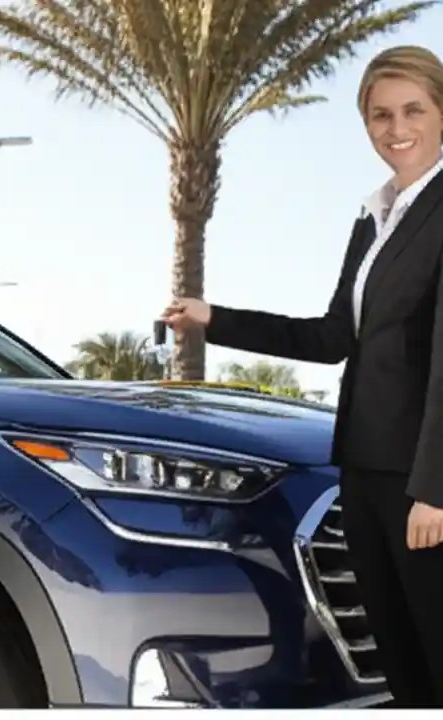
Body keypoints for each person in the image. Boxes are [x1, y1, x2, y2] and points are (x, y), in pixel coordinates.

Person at [161, 45, 443, 707]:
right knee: (399, 663)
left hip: (422, 484)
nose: (395, 127)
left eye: (412, 110)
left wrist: (436, 488)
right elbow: (329, 338)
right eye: (379, 114)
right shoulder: (374, 219)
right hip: (366, 470)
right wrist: (212, 317)